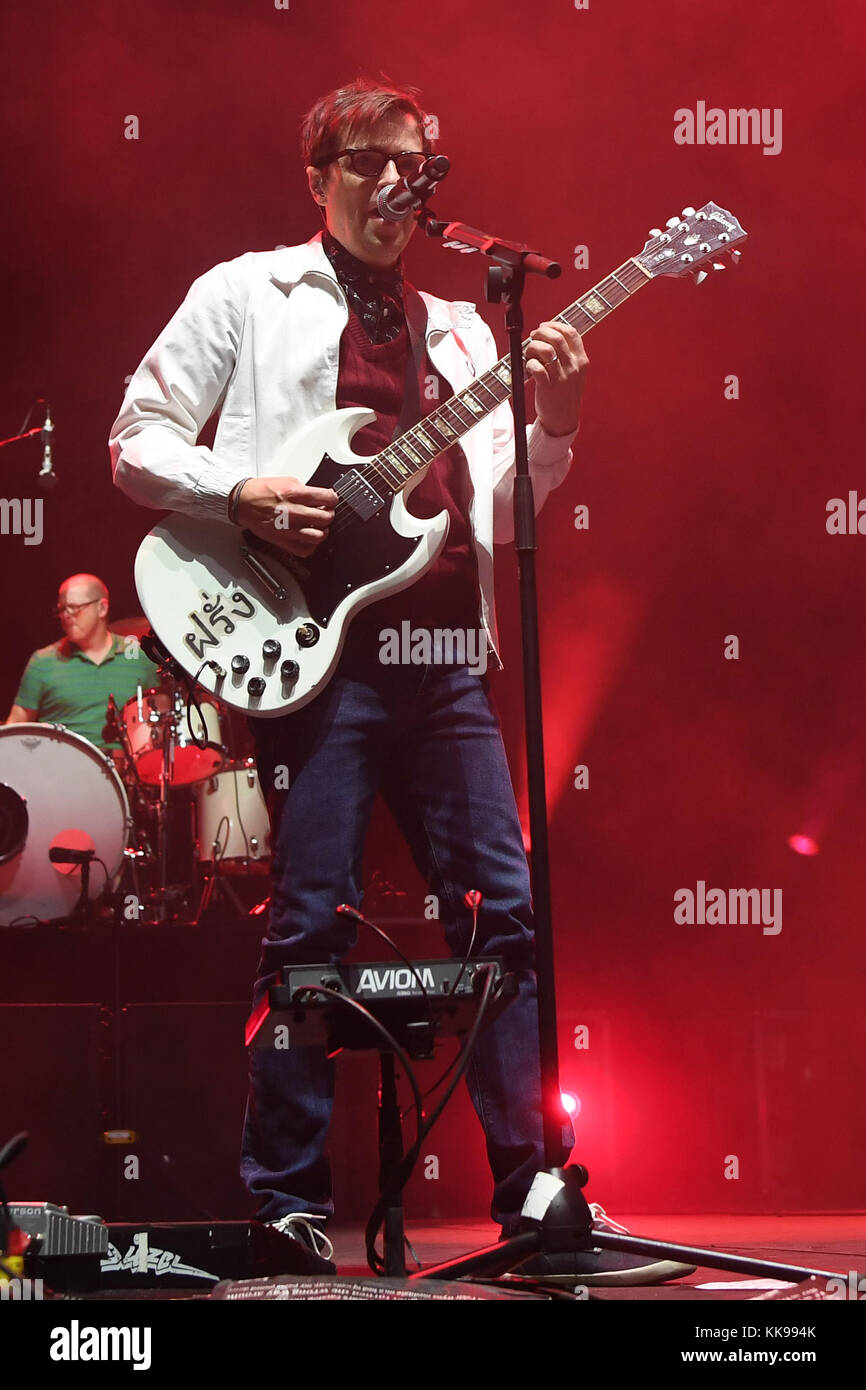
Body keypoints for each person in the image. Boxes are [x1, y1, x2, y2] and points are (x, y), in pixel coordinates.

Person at [109, 78, 693, 1287]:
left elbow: (502, 511)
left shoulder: (467, 330)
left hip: (444, 667)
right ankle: (285, 1203)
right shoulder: (243, 291)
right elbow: (134, 436)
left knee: (504, 914)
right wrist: (244, 493)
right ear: (317, 174)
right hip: (314, 658)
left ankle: (532, 1183)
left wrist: (561, 419)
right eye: (367, 162)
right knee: (305, 926)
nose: (393, 185)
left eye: (413, 166)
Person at [5, 572, 161, 750]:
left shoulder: (139, 658)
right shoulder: (43, 662)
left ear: (102, 608)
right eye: (62, 609)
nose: (66, 616)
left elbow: (161, 718)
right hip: (59, 770)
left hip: (126, 773)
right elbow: (14, 729)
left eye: (74, 608)